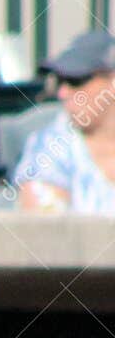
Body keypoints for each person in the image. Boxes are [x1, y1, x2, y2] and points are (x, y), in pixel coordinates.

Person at [13, 30, 115, 214]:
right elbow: (46, 229)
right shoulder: (49, 146)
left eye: (76, 80)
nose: (63, 93)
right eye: (59, 81)